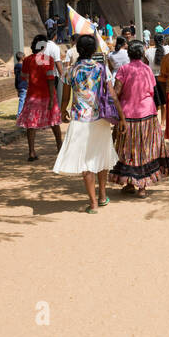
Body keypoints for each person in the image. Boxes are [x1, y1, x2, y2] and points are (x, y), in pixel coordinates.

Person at [53, 34, 121, 213]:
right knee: (100, 155)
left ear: (78, 49)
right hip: (100, 119)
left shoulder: (70, 70)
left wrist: (63, 111)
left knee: (85, 161)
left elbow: (66, 97)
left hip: (80, 120)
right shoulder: (101, 68)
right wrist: (121, 116)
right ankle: (102, 194)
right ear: (93, 51)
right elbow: (112, 94)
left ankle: (93, 203)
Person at [109, 40, 169, 196]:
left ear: (129, 54)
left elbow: (116, 93)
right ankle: (142, 187)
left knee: (128, 150)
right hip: (147, 114)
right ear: (142, 54)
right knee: (145, 149)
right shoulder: (147, 70)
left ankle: (131, 183)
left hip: (128, 116)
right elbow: (151, 91)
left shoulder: (123, 70)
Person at [18, 35, 63, 161]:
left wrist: (34, 81)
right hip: (48, 95)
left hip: (33, 95)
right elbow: (50, 80)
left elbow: (24, 77)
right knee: (54, 122)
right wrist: (52, 99)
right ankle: (59, 147)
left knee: (31, 124)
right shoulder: (48, 60)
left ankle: (31, 152)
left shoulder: (27, 60)